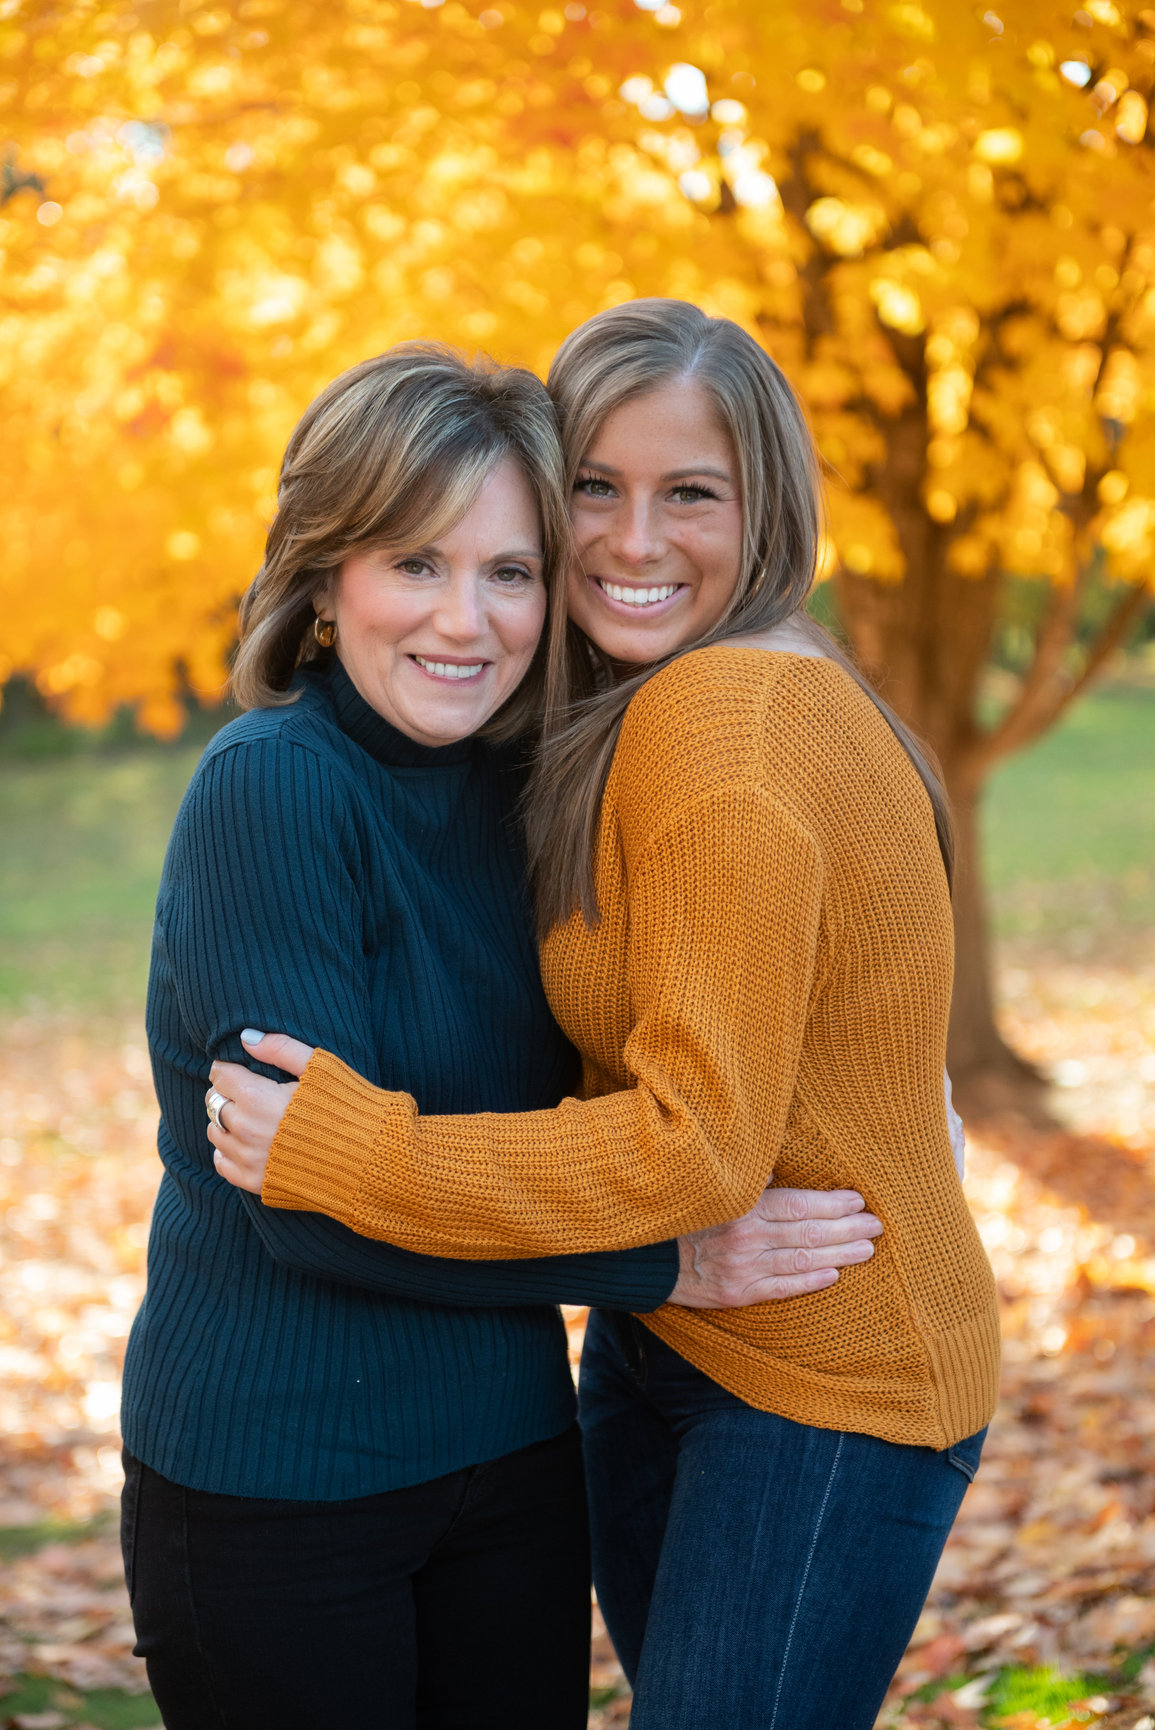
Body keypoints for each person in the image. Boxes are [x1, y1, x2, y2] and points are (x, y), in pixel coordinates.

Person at [211, 301, 998, 1730]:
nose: (634, 542)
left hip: (826, 1384)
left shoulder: (722, 721)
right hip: (671, 1343)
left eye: (689, 493)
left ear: (764, 510)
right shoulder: (635, 714)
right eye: (595, 488)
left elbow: (695, 1149)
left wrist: (356, 1150)